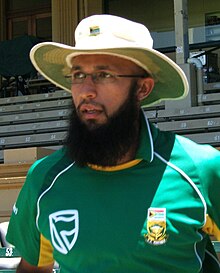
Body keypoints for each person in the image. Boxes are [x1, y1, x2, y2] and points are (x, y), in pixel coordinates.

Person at [6, 14, 220, 273]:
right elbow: (33, 268)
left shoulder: (201, 169)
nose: (86, 90)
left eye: (104, 74)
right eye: (78, 74)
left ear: (142, 88)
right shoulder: (44, 177)